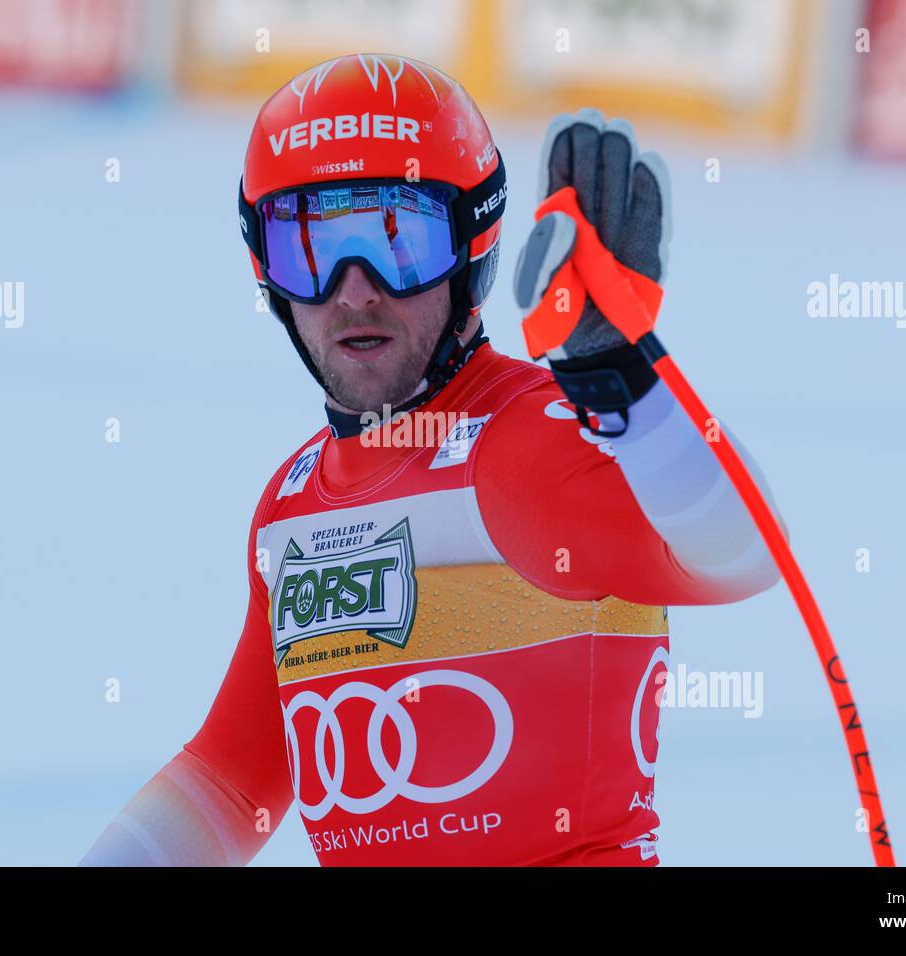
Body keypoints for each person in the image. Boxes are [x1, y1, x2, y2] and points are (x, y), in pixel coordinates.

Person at [81, 52, 787, 867]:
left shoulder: (524, 443)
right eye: (309, 246)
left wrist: (631, 396)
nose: (354, 291)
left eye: (398, 240)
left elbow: (747, 556)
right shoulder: (293, 503)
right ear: (266, 273)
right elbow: (234, 781)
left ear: (471, 247)